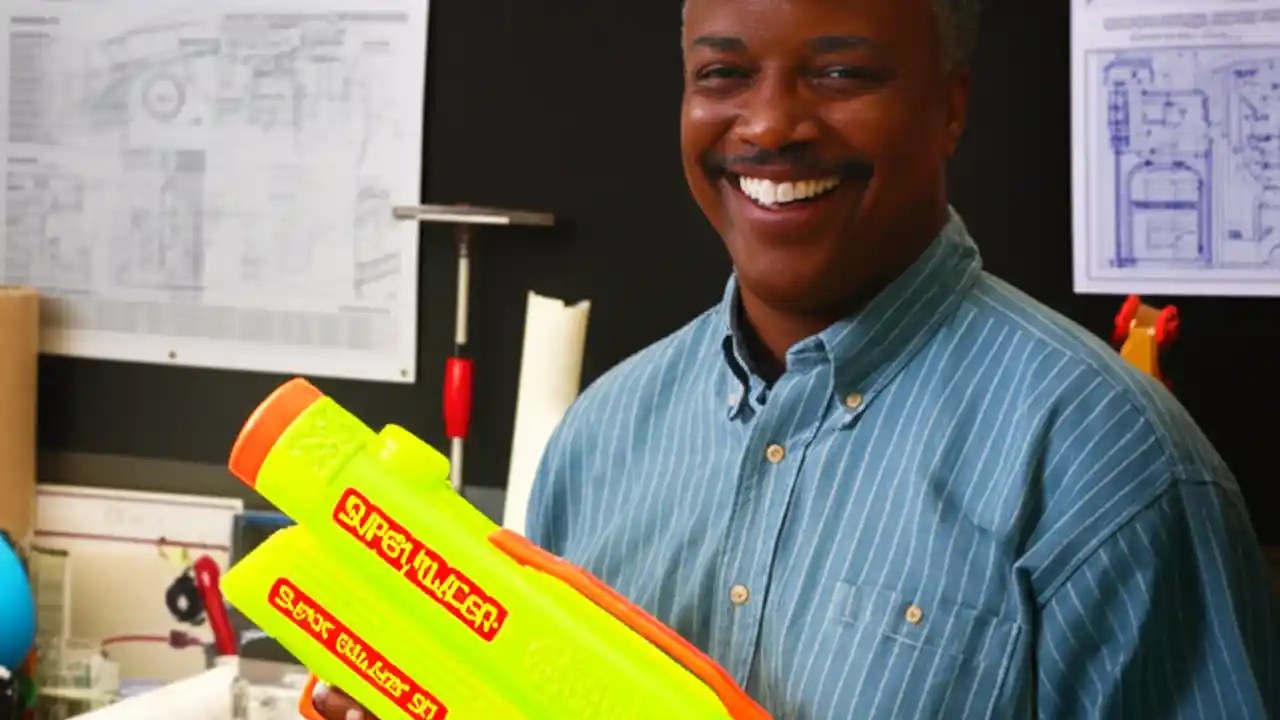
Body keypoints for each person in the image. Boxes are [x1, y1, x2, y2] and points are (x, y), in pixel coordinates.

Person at [315, 0, 1277, 717]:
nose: (770, 125)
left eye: (841, 74)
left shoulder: (1113, 468)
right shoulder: (601, 438)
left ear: (949, 107)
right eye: (722, 74)